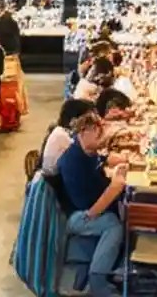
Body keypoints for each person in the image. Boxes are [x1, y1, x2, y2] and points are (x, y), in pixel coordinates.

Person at [57, 111, 127, 297]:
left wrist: (119, 160)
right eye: (98, 135)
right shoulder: (73, 162)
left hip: (88, 209)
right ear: (83, 132)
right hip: (79, 215)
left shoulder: (87, 152)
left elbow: (100, 160)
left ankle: (115, 267)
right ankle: (98, 280)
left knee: (121, 212)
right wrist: (114, 188)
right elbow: (93, 211)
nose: (101, 139)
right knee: (114, 225)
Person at [41, 99, 96, 173]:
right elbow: (84, 153)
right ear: (74, 120)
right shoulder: (61, 135)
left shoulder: (63, 131)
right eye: (87, 119)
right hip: (55, 180)